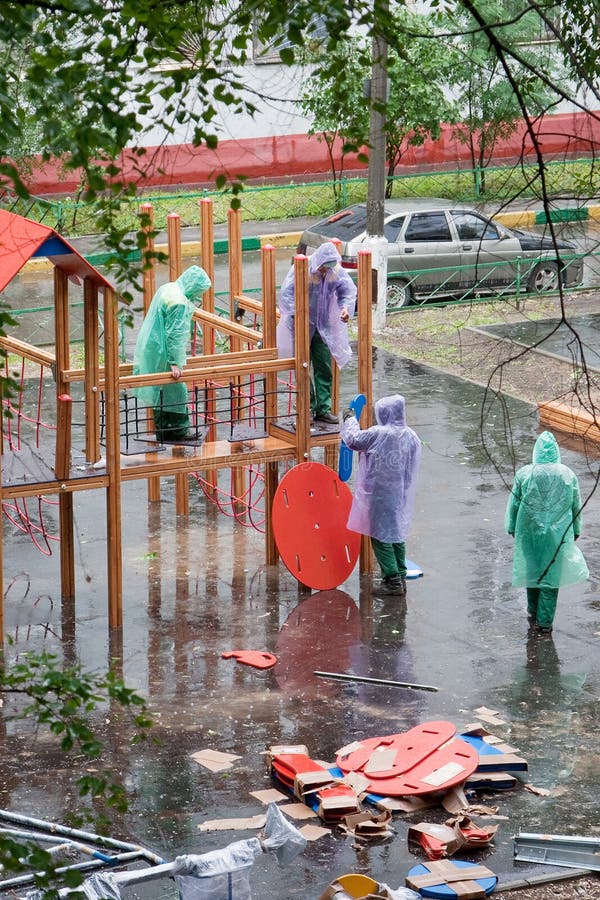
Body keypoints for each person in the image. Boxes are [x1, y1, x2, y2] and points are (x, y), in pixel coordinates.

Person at [505, 430, 588, 633]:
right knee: (551, 578)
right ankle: (545, 622)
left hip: (528, 533)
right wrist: (576, 529)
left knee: (532, 572)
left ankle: (534, 611)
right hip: (557, 536)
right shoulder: (567, 474)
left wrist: (512, 526)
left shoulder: (525, 473)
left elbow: (514, 504)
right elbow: (575, 505)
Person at [341, 394, 421, 595]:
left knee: (380, 536)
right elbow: (412, 466)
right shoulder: (411, 436)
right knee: (396, 533)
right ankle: (400, 577)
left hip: (379, 492)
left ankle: (392, 580)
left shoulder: (379, 433)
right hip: (399, 492)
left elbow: (353, 440)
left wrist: (350, 419)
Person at [277, 241, 356, 424]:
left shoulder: (334, 272)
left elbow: (348, 291)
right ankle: (307, 408)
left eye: (327, 268)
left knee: (324, 367)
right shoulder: (303, 268)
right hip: (300, 325)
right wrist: (297, 314)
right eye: (322, 268)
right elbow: (287, 294)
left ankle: (323, 409)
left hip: (322, 327)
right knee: (303, 368)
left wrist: (345, 309)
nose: (324, 272)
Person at [133, 265, 212, 442]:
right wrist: (174, 361)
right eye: (199, 291)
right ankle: (178, 432)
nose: (198, 296)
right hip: (164, 352)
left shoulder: (169, 288)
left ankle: (164, 431)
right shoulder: (179, 302)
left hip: (152, 347)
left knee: (159, 390)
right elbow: (174, 335)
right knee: (176, 390)